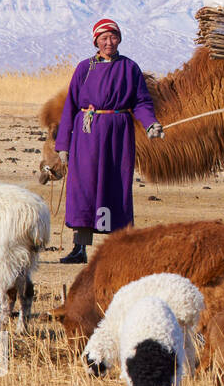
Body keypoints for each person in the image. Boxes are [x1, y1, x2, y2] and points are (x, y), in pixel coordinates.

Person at [55, 19, 164, 263]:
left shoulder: (130, 68)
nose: (108, 42)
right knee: (84, 188)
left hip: (118, 135)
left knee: (115, 186)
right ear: (96, 41)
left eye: (113, 37)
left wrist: (150, 124)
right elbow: (70, 106)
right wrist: (63, 144)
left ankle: (121, 250)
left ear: (119, 39)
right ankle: (79, 249)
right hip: (87, 135)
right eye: (103, 38)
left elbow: (141, 102)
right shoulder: (85, 68)